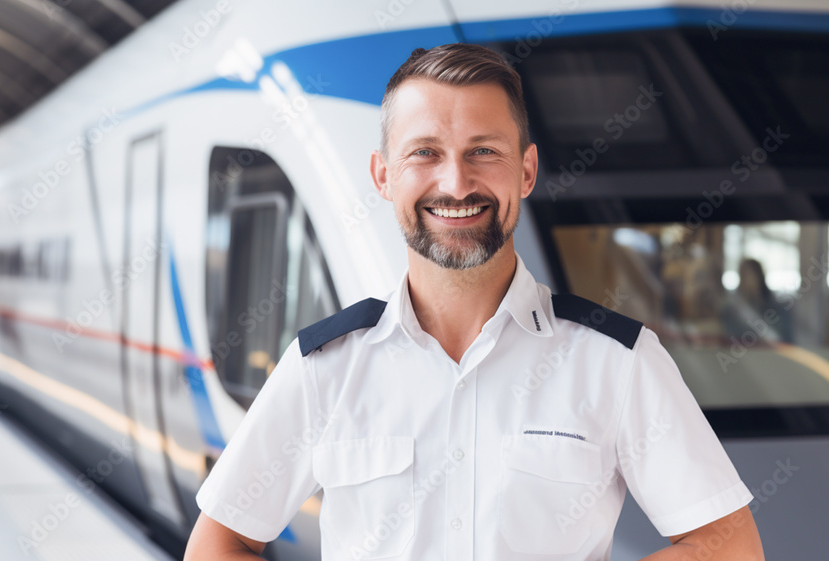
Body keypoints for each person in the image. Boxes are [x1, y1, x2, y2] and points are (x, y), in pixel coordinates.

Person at [185, 44, 763, 560]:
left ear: (527, 170)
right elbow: (220, 541)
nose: (457, 183)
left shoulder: (617, 361)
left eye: (483, 151)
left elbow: (729, 544)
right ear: (383, 176)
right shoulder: (325, 368)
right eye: (425, 153)